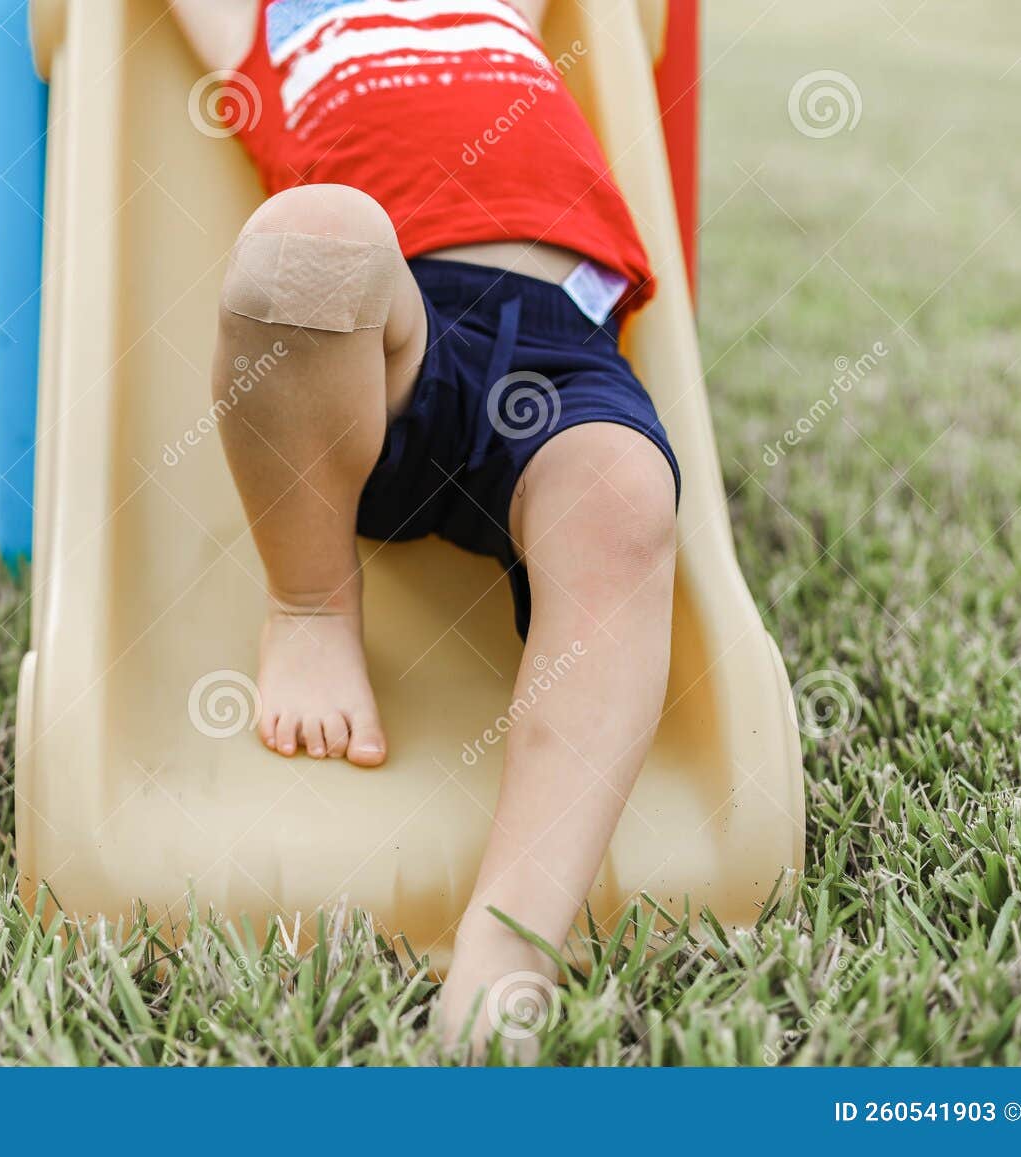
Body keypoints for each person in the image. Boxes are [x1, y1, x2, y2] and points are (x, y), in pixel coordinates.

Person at [170, 0, 680, 1056]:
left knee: (625, 497)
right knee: (312, 240)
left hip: (566, 349)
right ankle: (309, 603)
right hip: (388, 342)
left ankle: (508, 944)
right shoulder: (275, 21)